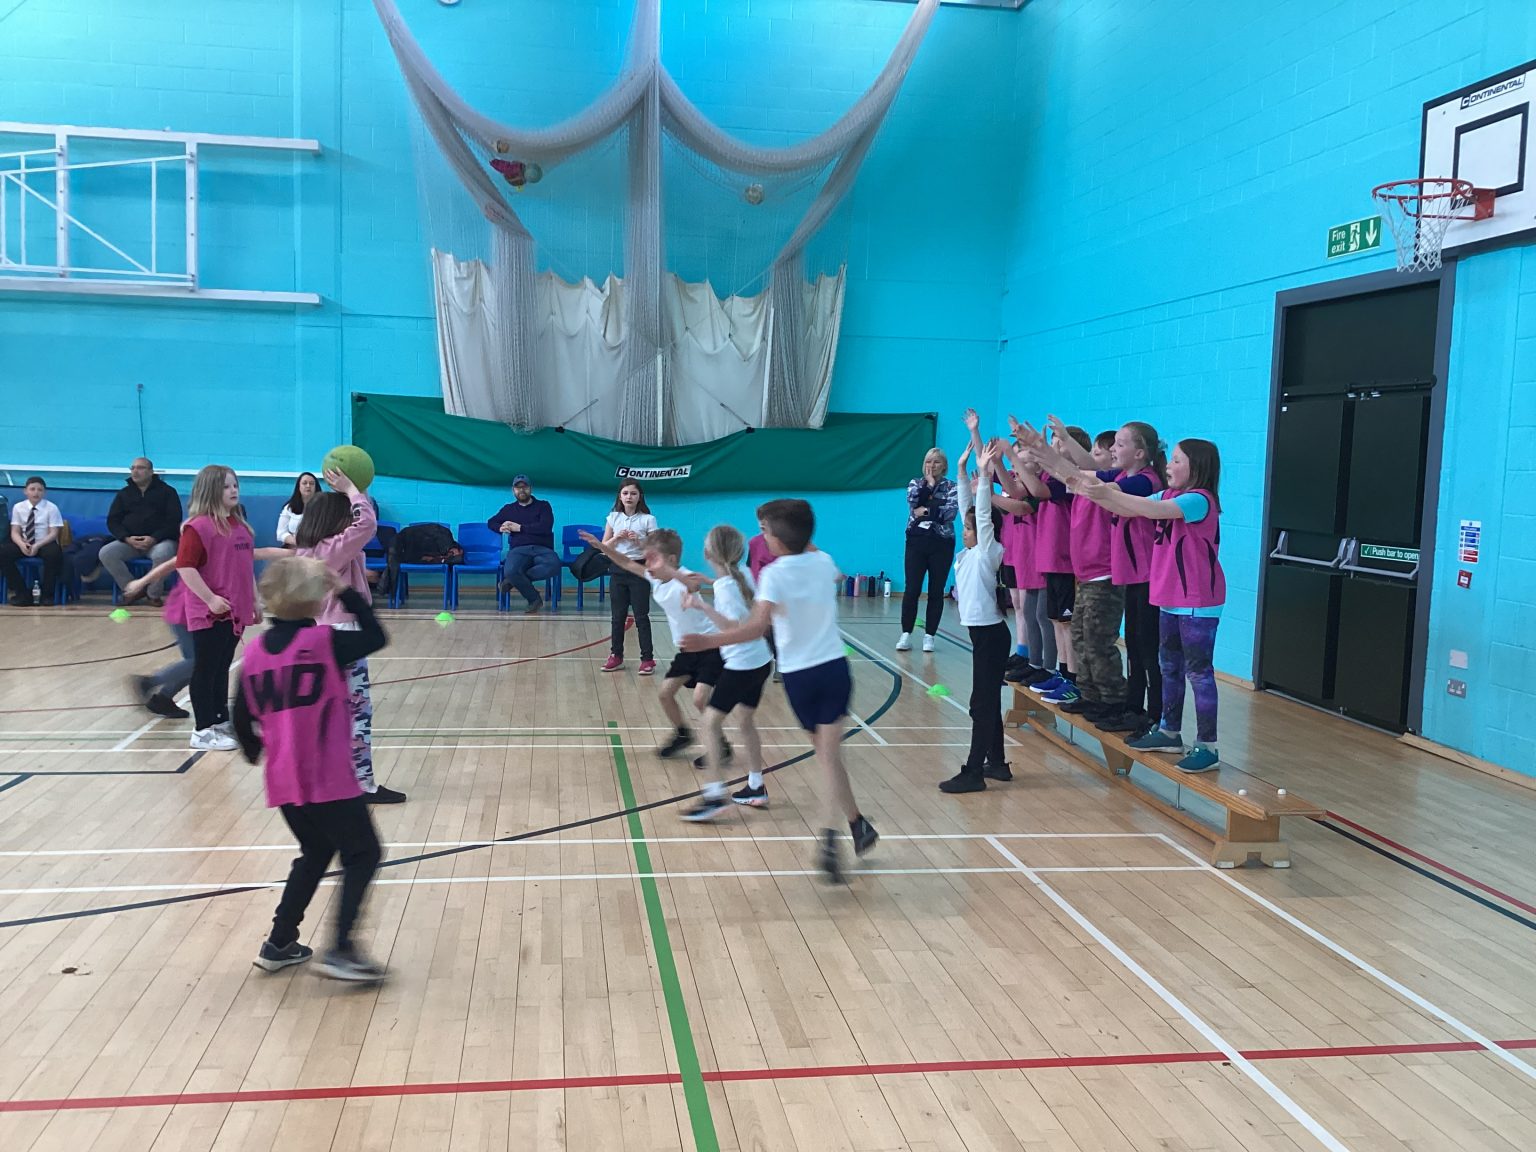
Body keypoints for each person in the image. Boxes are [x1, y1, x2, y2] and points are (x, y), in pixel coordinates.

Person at [682, 499, 878, 883]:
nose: (762, 537)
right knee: (829, 755)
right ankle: (853, 824)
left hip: (800, 678)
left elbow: (755, 629)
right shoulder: (823, 563)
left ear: (778, 537)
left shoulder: (773, 576)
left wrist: (709, 643)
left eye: (766, 531)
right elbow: (830, 569)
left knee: (826, 756)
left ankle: (830, 837)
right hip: (835, 669)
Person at [233, 557, 389, 983]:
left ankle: (281, 941)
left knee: (317, 851)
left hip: (285, 781)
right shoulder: (325, 642)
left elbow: (240, 717)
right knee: (364, 854)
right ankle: (341, 949)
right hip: (328, 776)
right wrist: (346, 591)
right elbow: (376, 636)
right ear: (317, 598)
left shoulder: (254, 653)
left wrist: (257, 751)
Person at [1072, 439, 1226, 773]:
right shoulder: (1169, 494)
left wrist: (1101, 491)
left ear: (1196, 467)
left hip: (1198, 601)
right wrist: (1096, 491)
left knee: (1198, 672)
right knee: (1168, 665)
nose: (1168, 465)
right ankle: (1170, 731)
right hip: (1170, 597)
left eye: (1175, 461)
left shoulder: (1199, 500)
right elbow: (1130, 507)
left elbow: (1149, 510)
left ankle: (1208, 746)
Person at [295, 470, 406, 804]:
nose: (350, 520)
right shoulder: (331, 548)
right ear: (333, 521)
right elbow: (367, 525)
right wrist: (354, 490)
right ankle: (361, 785)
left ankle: (322, 780)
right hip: (341, 632)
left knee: (327, 712)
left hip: (318, 631)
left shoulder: (312, 548)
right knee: (357, 713)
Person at [580, 526, 722, 759]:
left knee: (699, 698)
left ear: (671, 560)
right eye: (646, 558)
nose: (647, 562)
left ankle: (720, 744)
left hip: (710, 647)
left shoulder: (684, 578)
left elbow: (693, 585)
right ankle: (683, 734)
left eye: (652, 558)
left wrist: (672, 571)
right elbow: (626, 563)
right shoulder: (656, 578)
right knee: (665, 694)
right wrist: (601, 546)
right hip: (687, 651)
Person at [676, 524, 774, 819]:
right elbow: (739, 604)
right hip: (761, 661)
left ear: (708, 553)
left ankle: (715, 794)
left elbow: (732, 627)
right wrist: (709, 582)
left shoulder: (727, 587)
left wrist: (701, 606)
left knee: (709, 724)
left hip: (742, 664)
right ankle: (756, 785)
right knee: (745, 720)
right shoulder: (742, 574)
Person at [941, 420, 1011, 793]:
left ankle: (974, 771)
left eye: (969, 529)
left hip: (991, 635)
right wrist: (961, 469)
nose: (964, 529)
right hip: (982, 635)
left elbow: (981, 515)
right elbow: (968, 509)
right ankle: (997, 762)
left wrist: (985, 477)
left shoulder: (987, 552)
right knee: (985, 699)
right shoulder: (967, 553)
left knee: (980, 704)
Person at [169, 465, 258, 751]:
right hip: (209, 612)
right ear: (211, 490)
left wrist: (254, 599)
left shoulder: (239, 525)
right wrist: (209, 598)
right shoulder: (198, 527)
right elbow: (185, 566)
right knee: (205, 670)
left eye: (235, 485)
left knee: (222, 668)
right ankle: (202, 729)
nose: (234, 490)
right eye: (227, 486)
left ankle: (219, 720)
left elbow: (246, 569)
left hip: (235, 612)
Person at [897, 447, 958, 653]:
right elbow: (913, 504)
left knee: (935, 590)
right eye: (928, 462)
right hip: (916, 541)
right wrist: (929, 488)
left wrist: (927, 510)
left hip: (941, 543)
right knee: (912, 588)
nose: (931, 466)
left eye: (936, 462)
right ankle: (906, 633)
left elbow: (949, 514)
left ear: (944, 466)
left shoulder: (952, 487)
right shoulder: (915, 483)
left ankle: (930, 635)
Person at [100, 458, 183, 604]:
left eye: (140, 468)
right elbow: (113, 521)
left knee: (163, 554)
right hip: (130, 542)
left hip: (160, 541)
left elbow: (173, 521)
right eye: (132, 468)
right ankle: (133, 590)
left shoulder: (168, 492)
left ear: (151, 472)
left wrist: (154, 538)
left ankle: (153, 594)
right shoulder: (123, 494)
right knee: (106, 553)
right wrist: (126, 538)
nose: (135, 471)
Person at [600, 480, 658, 674]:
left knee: (641, 616)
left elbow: (654, 549)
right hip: (617, 569)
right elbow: (604, 547)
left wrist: (638, 540)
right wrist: (617, 538)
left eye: (633, 493)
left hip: (639, 569)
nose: (629, 497)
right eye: (625, 493)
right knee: (617, 616)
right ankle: (616, 656)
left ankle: (647, 659)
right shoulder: (613, 518)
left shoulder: (648, 519)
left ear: (639, 496)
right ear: (620, 496)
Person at [487, 474, 559, 613]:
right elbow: (491, 522)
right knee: (510, 571)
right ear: (513, 490)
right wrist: (500, 527)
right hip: (519, 549)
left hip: (542, 548)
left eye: (524, 487)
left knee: (554, 565)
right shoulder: (508, 509)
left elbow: (545, 527)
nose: (521, 490)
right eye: (518, 487)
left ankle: (513, 581)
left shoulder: (543, 506)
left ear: (530, 488)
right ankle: (534, 599)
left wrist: (519, 528)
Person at [1, 476, 63, 607]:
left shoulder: (51, 508)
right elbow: (15, 531)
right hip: (24, 542)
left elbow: (53, 533)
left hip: (44, 542)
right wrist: (22, 544)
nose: (36, 492)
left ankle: (47, 595)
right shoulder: (18, 507)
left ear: (44, 492)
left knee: (54, 553)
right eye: (32, 489)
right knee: (3, 553)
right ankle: (21, 593)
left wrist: (37, 545)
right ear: (25, 491)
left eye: (39, 490)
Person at [277, 472, 319, 547]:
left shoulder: (324, 507)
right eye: (304, 483)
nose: (308, 486)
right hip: (293, 546)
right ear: (298, 486)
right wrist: (296, 542)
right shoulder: (290, 507)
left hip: (316, 548)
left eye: (312, 483)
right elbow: (280, 533)